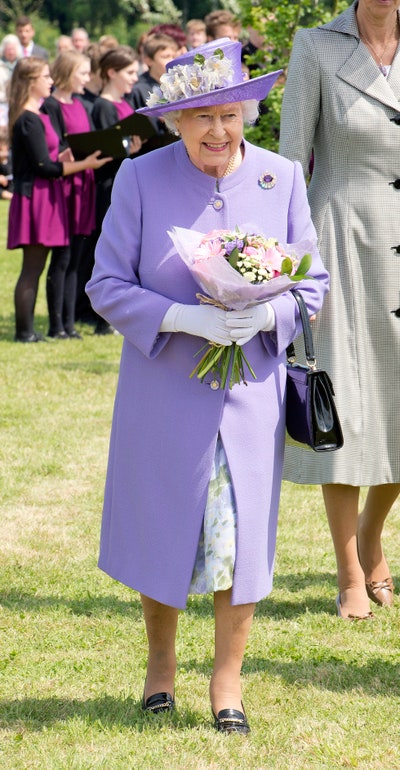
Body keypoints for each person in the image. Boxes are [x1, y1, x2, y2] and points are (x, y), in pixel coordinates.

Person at [86, 38, 329, 732]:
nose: (216, 131)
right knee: (166, 530)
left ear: (247, 111)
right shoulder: (140, 178)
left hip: (248, 393)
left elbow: (312, 282)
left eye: (228, 114)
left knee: (243, 540)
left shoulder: (280, 177)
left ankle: (227, 685)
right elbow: (105, 284)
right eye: (200, 118)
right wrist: (181, 315)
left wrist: (268, 312)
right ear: (174, 121)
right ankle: (160, 672)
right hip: (164, 394)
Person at [279, 0, 400, 620]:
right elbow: (292, 165)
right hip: (342, 245)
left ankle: (372, 532)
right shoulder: (315, 46)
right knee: (345, 407)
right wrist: (293, 269)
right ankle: (350, 569)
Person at [7, 57, 109, 343]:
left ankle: (29, 330)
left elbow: (50, 157)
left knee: (39, 266)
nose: (50, 81)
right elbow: (44, 167)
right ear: (30, 82)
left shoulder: (37, 115)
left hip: (46, 196)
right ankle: (24, 331)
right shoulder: (27, 118)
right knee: (32, 268)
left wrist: (67, 156)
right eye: (44, 76)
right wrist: (86, 163)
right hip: (36, 196)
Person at [81, 46, 142, 333]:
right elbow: (107, 147)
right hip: (110, 182)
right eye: (130, 72)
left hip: (127, 177)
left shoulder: (125, 102)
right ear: (112, 73)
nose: (135, 78)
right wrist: (131, 146)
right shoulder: (103, 105)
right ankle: (101, 317)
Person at [41, 50, 100, 339]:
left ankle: (69, 324)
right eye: (83, 72)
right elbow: (55, 145)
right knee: (62, 258)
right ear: (67, 73)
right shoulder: (50, 105)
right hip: (65, 186)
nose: (87, 78)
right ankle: (56, 325)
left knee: (76, 257)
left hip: (83, 183)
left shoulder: (81, 104)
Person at [129, 32, 178, 151]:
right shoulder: (138, 89)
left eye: (173, 56)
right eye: (165, 57)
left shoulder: (178, 83)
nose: (171, 61)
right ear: (148, 60)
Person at [0, 34, 23, 127]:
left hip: (19, 103)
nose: (11, 52)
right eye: (8, 49)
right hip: (3, 104)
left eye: (13, 49)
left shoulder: (22, 65)